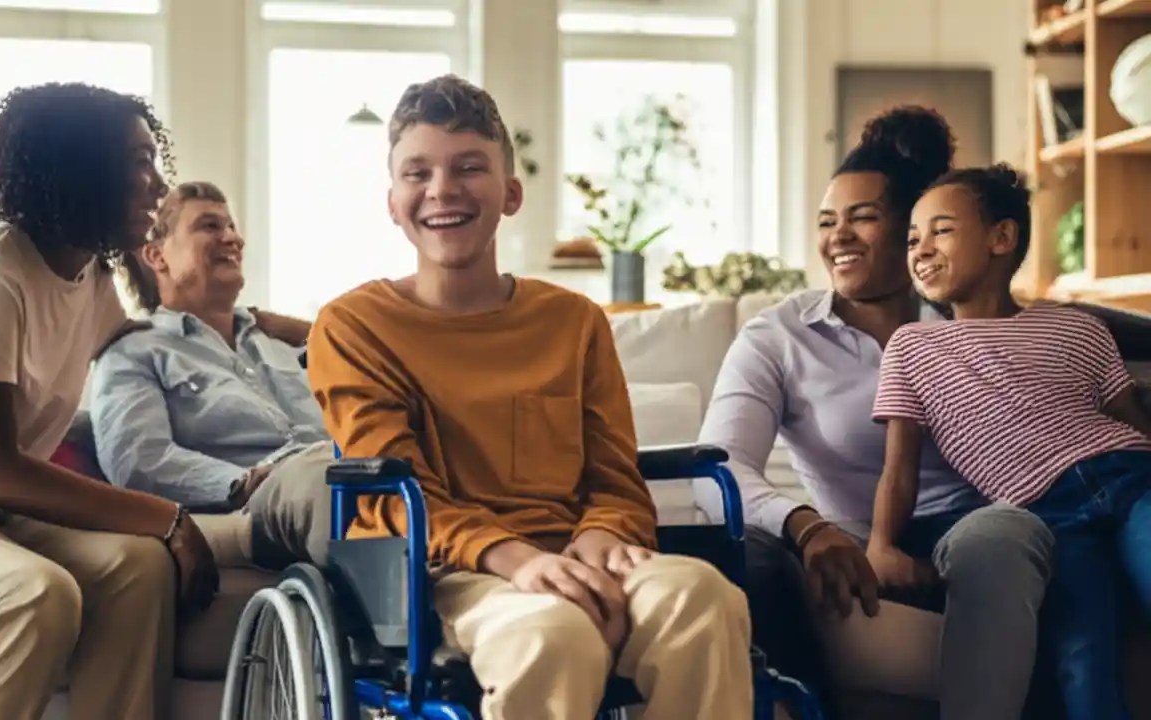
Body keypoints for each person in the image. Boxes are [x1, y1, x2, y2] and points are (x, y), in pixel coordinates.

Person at [306, 74, 752, 720]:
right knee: (553, 634)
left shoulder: (574, 322)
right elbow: (400, 495)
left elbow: (616, 475)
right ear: (393, 201)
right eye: (417, 173)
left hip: (581, 555)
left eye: (468, 168)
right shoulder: (352, 326)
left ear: (510, 193)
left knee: (706, 599)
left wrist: (601, 537)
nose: (442, 190)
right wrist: (520, 562)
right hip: (443, 577)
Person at [0, 83, 218, 720]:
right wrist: (166, 515)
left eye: (153, 159)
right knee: (30, 597)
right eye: (137, 162)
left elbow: (171, 331)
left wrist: (295, 331)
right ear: (78, 169)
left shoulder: (88, 280)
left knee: (138, 569)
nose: (157, 183)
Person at [697, 107, 1054, 720]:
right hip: (851, 547)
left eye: (864, 218)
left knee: (1001, 539)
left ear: (914, 229)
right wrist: (807, 527)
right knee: (747, 554)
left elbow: (1071, 348)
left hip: (980, 534)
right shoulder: (781, 337)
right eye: (828, 221)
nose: (839, 236)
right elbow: (718, 472)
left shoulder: (970, 316)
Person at [870, 164, 1151, 720]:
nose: (921, 248)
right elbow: (899, 471)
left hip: (1132, 478)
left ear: (1002, 237)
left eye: (941, 230)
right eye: (912, 238)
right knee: (1083, 658)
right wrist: (882, 545)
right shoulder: (911, 347)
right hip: (1047, 516)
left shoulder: (1077, 328)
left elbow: (1133, 422)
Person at [92, 180, 333, 570]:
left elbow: (377, 370)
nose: (232, 238)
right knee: (332, 483)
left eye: (232, 227)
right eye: (209, 226)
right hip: (276, 490)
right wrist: (240, 483)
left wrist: (306, 331)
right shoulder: (134, 352)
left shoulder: (279, 341)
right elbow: (139, 460)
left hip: (345, 467)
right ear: (157, 255)